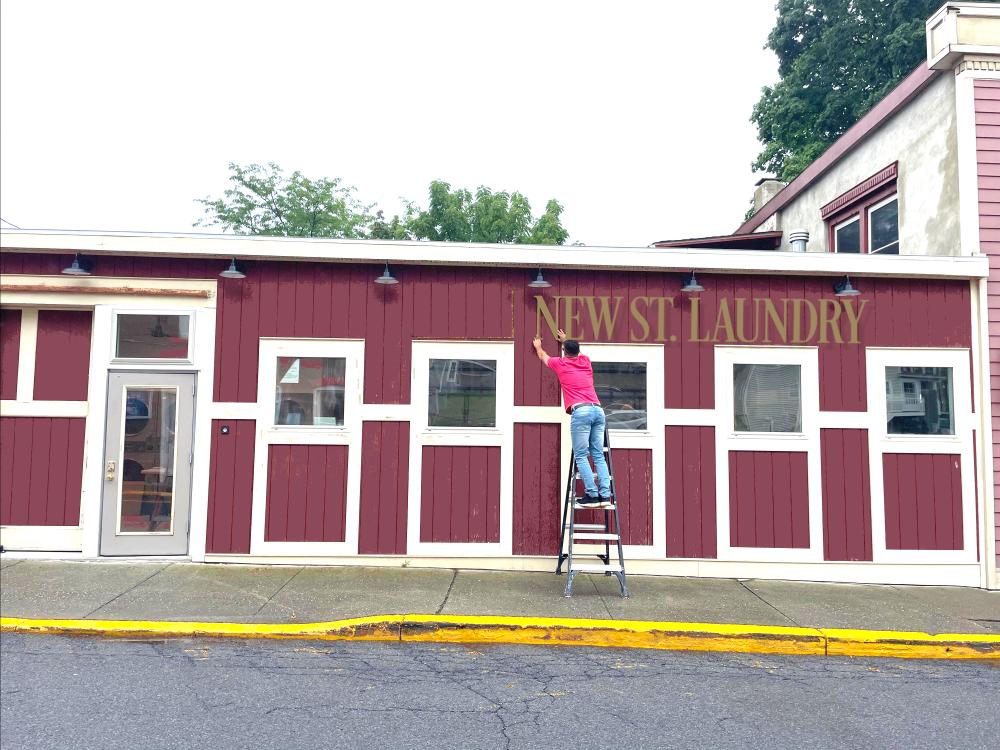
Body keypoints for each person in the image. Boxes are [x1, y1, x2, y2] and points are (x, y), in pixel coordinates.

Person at [532, 329, 611, 507]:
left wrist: (538, 346)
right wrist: (566, 340)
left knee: (582, 455)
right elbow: (576, 352)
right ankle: (605, 495)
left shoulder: (560, 364)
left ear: (564, 352)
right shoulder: (586, 361)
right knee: (598, 455)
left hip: (581, 411)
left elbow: (543, 356)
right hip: (598, 410)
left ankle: (591, 494)